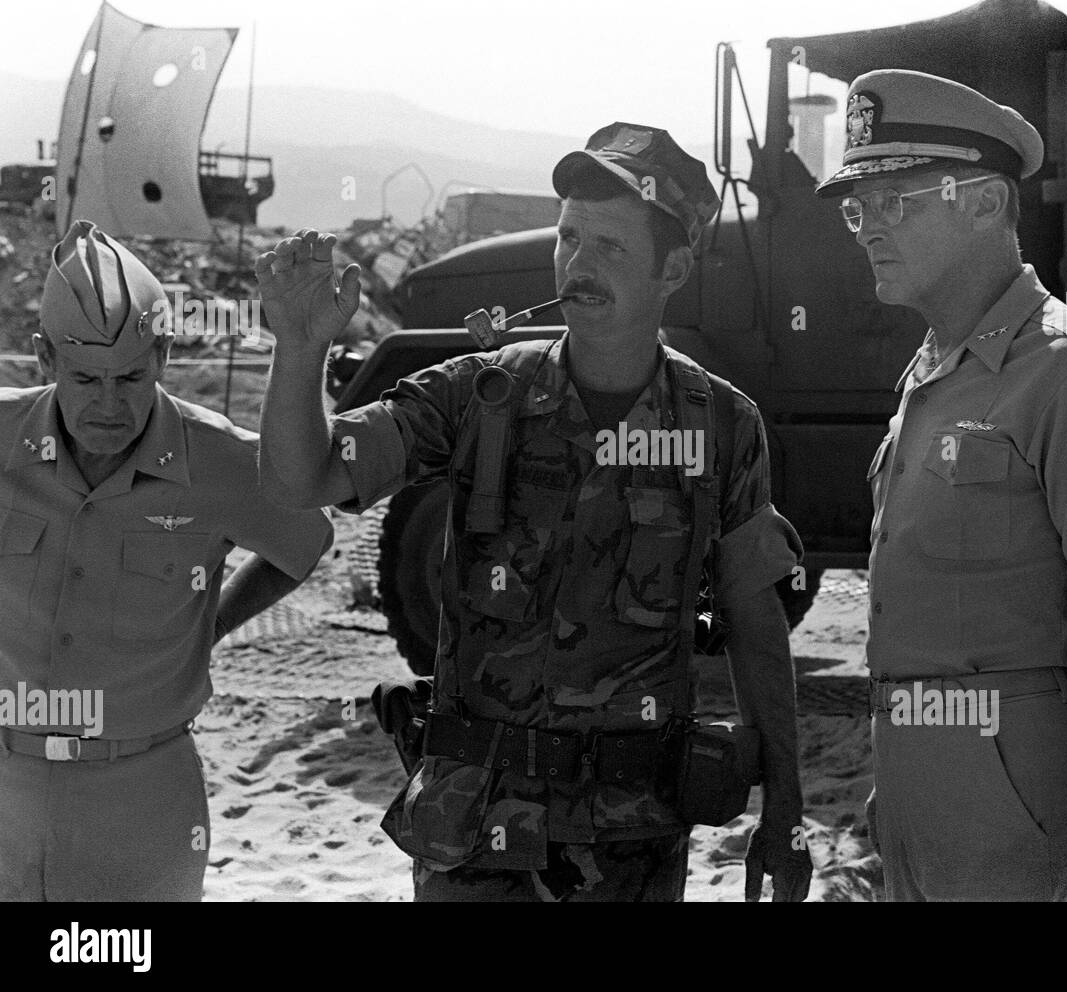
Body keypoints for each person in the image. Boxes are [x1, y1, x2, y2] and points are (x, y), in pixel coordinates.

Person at [257, 123, 813, 902]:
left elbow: (758, 627)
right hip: (474, 835)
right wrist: (297, 348)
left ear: (676, 266)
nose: (579, 265)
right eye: (569, 238)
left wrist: (783, 812)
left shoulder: (720, 426)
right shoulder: (479, 394)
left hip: (631, 848)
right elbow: (303, 477)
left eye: (611, 247)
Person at [815, 70, 1067, 901]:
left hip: (1019, 816)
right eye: (856, 208)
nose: (868, 228)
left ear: (983, 203)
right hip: (922, 804)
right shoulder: (932, 373)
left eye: (895, 201)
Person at [0, 220, 334, 901]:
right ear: (43, 357)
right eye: (86, 378)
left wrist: (211, 624)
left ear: (164, 353)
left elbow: (304, 546)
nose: (109, 404)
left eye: (130, 376)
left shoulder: (223, 462)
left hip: (142, 797)